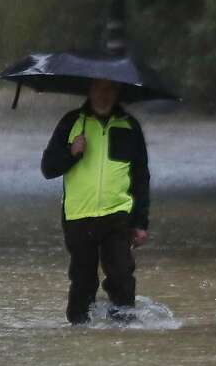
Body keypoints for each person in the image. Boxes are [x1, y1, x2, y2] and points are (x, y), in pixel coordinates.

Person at [40, 78, 150, 325]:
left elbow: (141, 177)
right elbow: (48, 168)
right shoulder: (71, 122)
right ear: (89, 90)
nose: (104, 94)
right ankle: (80, 330)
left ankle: (122, 330)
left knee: (122, 274)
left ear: (117, 92)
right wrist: (71, 152)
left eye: (110, 89)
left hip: (118, 214)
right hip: (79, 215)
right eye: (99, 88)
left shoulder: (130, 126)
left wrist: (141, 223)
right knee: (83, 279)